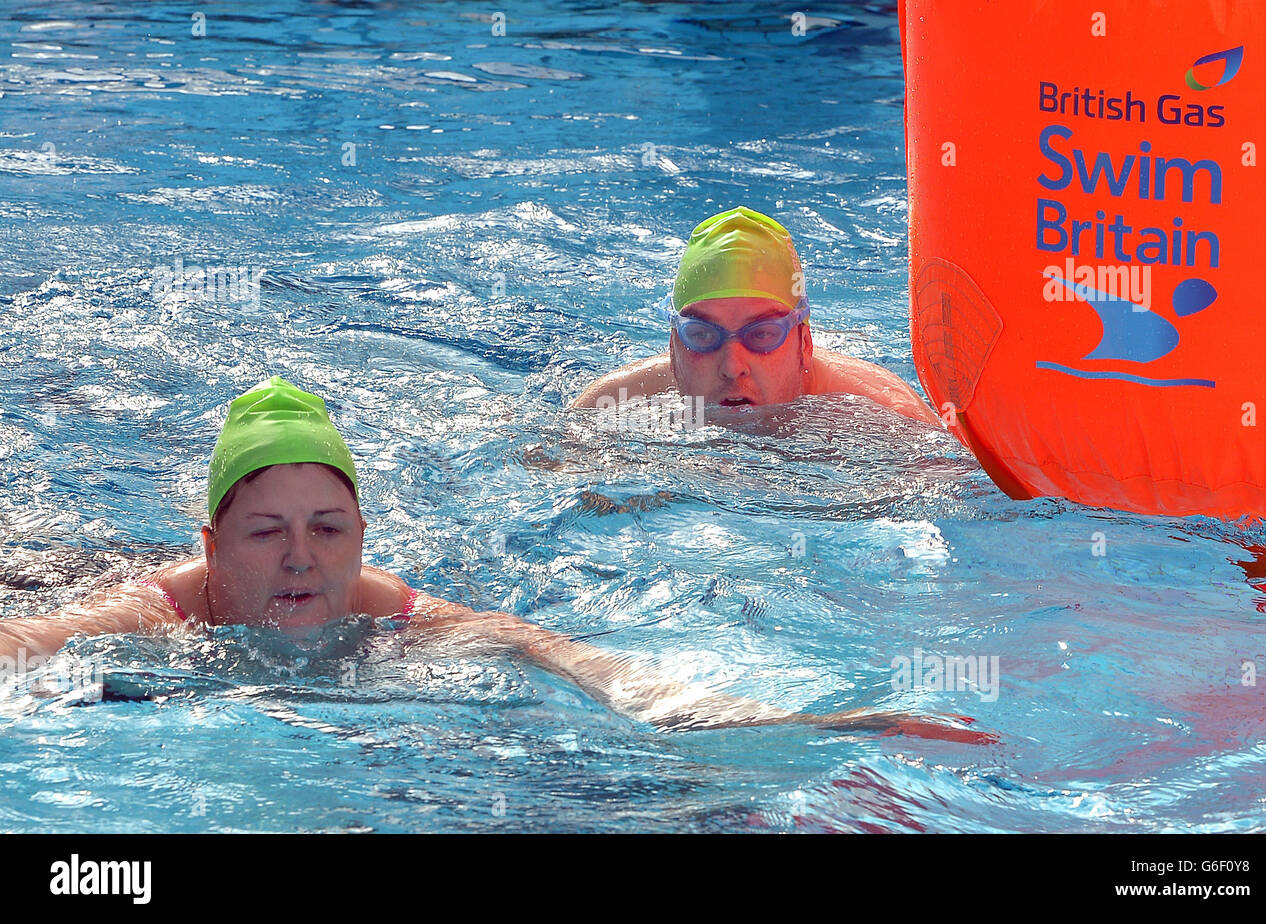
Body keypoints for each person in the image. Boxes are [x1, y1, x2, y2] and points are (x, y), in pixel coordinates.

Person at [0, 376, 987, 740]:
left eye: (329, 529)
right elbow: (22, 646)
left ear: (363, 539)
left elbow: (585, 667)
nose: (302, 560)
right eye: (266, 533)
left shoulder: (392, 615)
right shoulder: (156, 619)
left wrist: (820, 724)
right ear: (212, 548)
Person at [571, 206, 939, 423]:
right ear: (672, 348)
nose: (732, 366)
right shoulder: (613, 404)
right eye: (702, 335)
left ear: (805, 344)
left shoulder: (883, 415)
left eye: (761, 335)